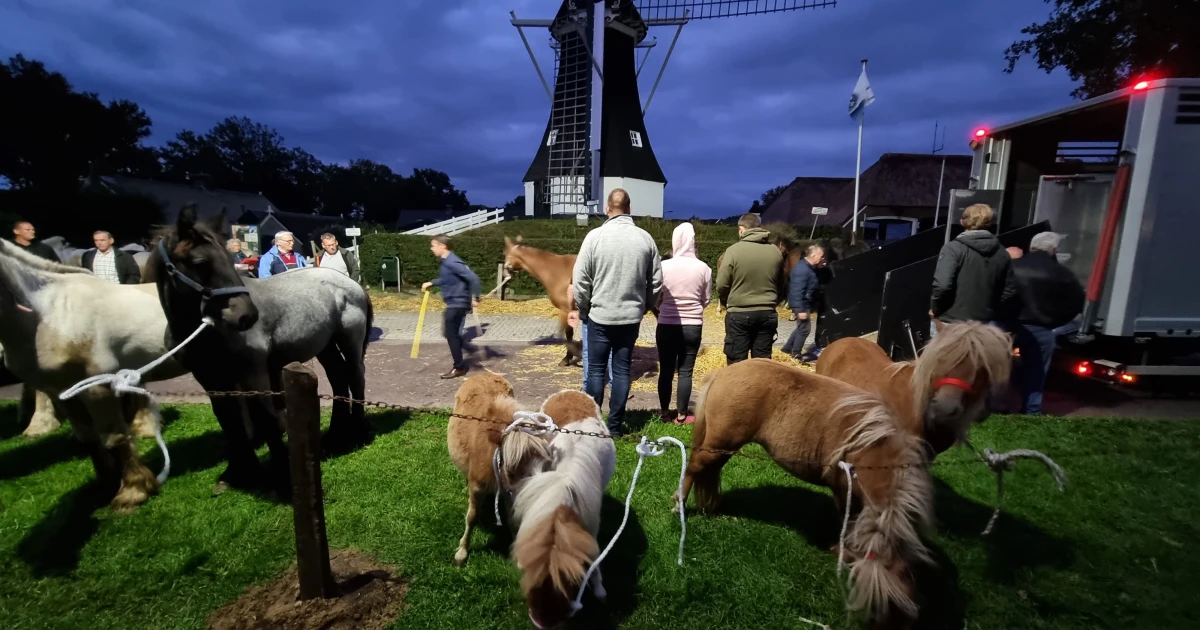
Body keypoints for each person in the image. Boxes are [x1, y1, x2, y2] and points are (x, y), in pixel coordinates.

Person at [572, 188, 662, 437]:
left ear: (606, 209)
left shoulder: (594, 237)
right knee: (622, 371)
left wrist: (585, 307)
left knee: (596, 371)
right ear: (630, 208)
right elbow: (656, 283)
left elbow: (580, 280)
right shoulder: (645, 239)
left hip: (599, 316)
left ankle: (592, 425)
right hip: (630, 317)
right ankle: (614, 427)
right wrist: (644, 306)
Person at [1011, 232, 1085, 414]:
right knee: (1036, 371)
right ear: (1054, 250)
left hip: (1008, 325)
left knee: (998, 366)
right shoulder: (1062, 273)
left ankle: (992, 405)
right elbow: (1076, 303)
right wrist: (1055, 322)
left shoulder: (1012, 267)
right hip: (1041, 329)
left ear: (1031, 246)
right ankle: (1032, 410)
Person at [929, 203, 1019, 334]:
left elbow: (942, 285)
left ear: (962, 222)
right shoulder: (1002, 252)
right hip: (984, 323)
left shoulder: (953, 248)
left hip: (950, 321)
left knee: (943, 355)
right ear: (989, 224)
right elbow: (1009, 290)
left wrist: (935, 309)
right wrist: (989, 310)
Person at [655, 222, 711, 425]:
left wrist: (664, 306)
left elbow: (656, 297)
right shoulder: (704, 268)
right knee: (686, 371)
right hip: (693, 326)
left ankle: (663, 412)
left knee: (666, 370)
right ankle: (681, 415)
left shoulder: (663, 267)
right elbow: (706, 300)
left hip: (666, 324)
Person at [715, 213, 784, 364]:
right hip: (767, 313)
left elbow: (721, 284)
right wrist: (772, 302)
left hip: (740, 313)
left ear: (741, 229)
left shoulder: (733, 251)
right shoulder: (775, 251)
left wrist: (727, 302)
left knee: (737, 364)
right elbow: (781, 284)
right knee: (762, 364)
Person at [422, 234, 481, 379]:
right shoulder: (447, 262)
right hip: (455, 302)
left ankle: (459, 367)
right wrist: (433, 282)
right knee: (451, 334)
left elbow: (473, 278)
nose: (431, 249)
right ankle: (468, 348)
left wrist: (476, 297)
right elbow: (448, 278)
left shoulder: (452, 262)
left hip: (457, 303)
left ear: (442, 246)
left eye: (433, 245)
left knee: (450, 334)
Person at [782, 243, 826, 362]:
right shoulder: (802, 270)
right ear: (813, 255)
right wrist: (800, 309)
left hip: (805, 302)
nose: (823, 258)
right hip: (801, 304)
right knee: (805, 329)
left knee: (801, 328)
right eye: (821, 256)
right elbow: (797, 291)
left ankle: (787, 348)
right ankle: (796, 353)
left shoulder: (809, 267)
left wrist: (820, 267)